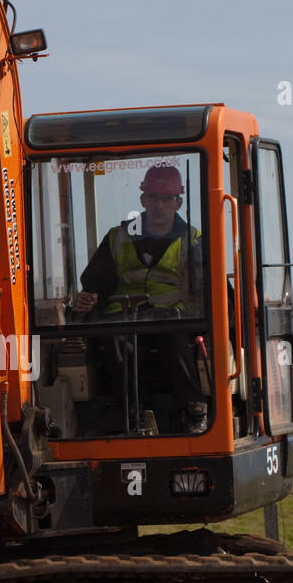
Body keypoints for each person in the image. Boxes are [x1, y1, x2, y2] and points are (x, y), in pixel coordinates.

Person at [74, 162, 208, 432]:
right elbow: (95, 284)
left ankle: (194, 410)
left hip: (172, 317)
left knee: (176, 339)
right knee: (111, 338)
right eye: (153, 198)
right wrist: (88, 298)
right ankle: (130, 411)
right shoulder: (118, 237)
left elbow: (207, 289)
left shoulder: (194, 240)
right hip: (124, 318)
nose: (159, 205)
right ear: (143, 199)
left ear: (178, 202)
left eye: (166, 198)